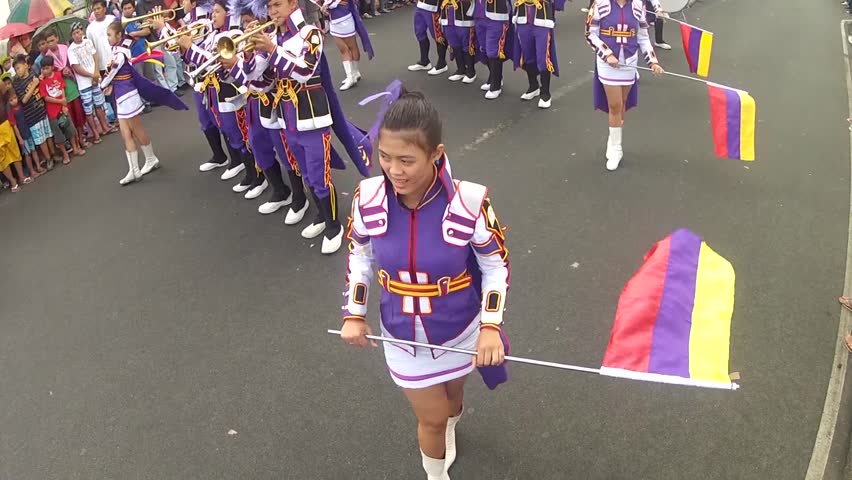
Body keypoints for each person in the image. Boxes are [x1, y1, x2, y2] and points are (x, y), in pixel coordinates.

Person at [340, 89, 510, 480]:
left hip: (461, 328)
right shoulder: (367, 198)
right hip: (402, 335)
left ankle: (451, 425)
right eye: (385, 157)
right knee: (431, 418)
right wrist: (354, 313)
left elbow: (495, 264)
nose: (394, 170)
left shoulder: (469, 201)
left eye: (406, 160)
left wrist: (489, 326)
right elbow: (360, 256)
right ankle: (435, 474)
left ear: (436, 154)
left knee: (452, 401)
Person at [250, 0, 374, 253]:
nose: (272, 11)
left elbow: (305, 71)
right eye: (269, 7)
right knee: (304, 172)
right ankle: (321, 215)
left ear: (292, 3)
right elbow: (258, 81)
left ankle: (334, 226)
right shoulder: (276, 38)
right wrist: (246, 56)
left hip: (313, 117)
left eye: (276, 4)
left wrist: (272, 50)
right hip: (287, 117)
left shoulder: (311, 33)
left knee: (319, 175)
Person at [220, 0, 309, 216]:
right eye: (244, 22)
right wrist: (239, 59)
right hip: (256, 103)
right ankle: (280, 190)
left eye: (251, 21)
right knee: (258, 147)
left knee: (287, 152)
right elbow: (245, 74)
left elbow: (256, 76)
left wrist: (239, 63)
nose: (247, 26)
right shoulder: (256, 38)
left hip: (276, 101)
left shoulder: (275, 37)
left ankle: (299, 197)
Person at [178, 0, 264, 194]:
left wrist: (191, 48)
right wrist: (186, 47)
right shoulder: (213, 35)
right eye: (213, 12)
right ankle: (249, 173)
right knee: (230, 132)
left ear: (228, 13)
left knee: (242, 135)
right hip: (218, 90)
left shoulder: (232, 35)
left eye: (217, 12)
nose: (212, 15)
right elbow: (202, 59)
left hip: (232, 91)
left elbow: (214, 61)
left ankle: (258, 176)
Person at [100, 21, 189, 184]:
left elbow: (112, 73)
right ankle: (133, 170)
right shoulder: (117, 50)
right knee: (125, 133)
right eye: (107, 35)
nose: (107, 38)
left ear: (119, 35)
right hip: (121, 96)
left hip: (128, 95)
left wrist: (102, 84)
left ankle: (150, 158)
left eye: (109, 35)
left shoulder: (120, 53)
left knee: (137, 130)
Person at [585, 0, 663, 171]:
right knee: (615, 105)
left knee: (622, 103)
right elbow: (590, 34)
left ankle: (613, 137)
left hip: (629, 62)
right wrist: (606, 54)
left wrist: (652, 62)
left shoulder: (637, 6)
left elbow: (643, 36)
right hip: (608, 64)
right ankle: (617, 148)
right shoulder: (600, 4)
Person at [69, 22, 117, 144]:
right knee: (89, 109)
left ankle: (105, 126)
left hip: (94, 79)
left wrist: (96, 72)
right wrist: (91, 75)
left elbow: (95, 56)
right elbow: (76, 67)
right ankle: (95, 132)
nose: (77, 35)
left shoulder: (88, 42)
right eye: (74, 33)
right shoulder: (71, 49)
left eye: (78, 32)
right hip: (84, 84)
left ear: (82, 32)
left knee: (99, 104)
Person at [512, 0, 565, 109]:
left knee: (543, 56)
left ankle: (545, 93)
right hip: (523, 16)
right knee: (527, 55)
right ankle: (533, 86)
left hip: (543, 18)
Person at [43, 31, 90, 149]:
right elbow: (48, 74)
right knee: (70, 118)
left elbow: (74, 62)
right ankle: (76, 143)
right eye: (47, 42)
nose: (50, 44)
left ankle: (81, 137)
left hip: (72, 84)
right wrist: (60, 71)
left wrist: (68, 69)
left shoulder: (65, 48)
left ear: (57, 38)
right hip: (61, 92)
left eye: (52, 40)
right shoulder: (47, 57)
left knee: (79, 113)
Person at [39, 56, 86, 165]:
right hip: (52, 113)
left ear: (51, 67)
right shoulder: (42, 82)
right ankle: (65, 154)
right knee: (59, 135)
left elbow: (62, 88)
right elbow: (46, 98)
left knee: (71, 129)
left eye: (46, 68)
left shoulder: (58, 75)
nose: (44, 71)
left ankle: (75, 148)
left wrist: (64, 103)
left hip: (63, 109)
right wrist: (60, 102)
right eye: (43, 68)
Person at [11, 55, 55, 171]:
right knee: (41, 140)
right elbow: (24, 100)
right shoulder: (17, 83)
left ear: (26, 65)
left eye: (19, 68)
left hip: (41, 110)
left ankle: (54, 154)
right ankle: (48, 158)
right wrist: (34, 84)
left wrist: (38, 81)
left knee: (48, 134)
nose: (17, 71)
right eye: (15, 69)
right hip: (32, 117)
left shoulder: (33, 75)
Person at [319, 0, 374, 90]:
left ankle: (352, 76)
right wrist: (325, 8)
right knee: (345, 49)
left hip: (344, 18)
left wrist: (327, 5)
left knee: (349, 48)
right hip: (335, 20)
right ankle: (353, 73)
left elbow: (332, 3)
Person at [473, 0, 511, 99]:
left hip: (496, 16)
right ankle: (495, 77)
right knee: (484, 49)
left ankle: (496, 86)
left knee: (493, 51)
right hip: (479, 14)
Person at [6, 88, 47, 178]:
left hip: (29, 130)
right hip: (22, 135)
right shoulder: (11, 112)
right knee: (27, 154)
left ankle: (38, 166)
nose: (14, 101)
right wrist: (20, 138)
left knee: (33, 150)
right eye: (11, 100)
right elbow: (15, 126)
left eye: (15, 98)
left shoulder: (21, 105)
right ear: (8, 102)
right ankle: (32, 171)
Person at [408, 0, 449, 76]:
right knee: (419, 33)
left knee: (438, 36)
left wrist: (441, 11)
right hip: (420, 6)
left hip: (433, 9)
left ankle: (442, 63)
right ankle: (424, 61)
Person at [439, 0, 476, 84]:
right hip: (448, 13)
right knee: (454, 43)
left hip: (464, 13)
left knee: (467, 45)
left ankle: (471, 71)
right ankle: (461, 69)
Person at [0, 78, 26, 192]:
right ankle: (12, 182)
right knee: (2, 158)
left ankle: (22, 177)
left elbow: (3, 87)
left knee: (14, 150)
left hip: (5, 123)